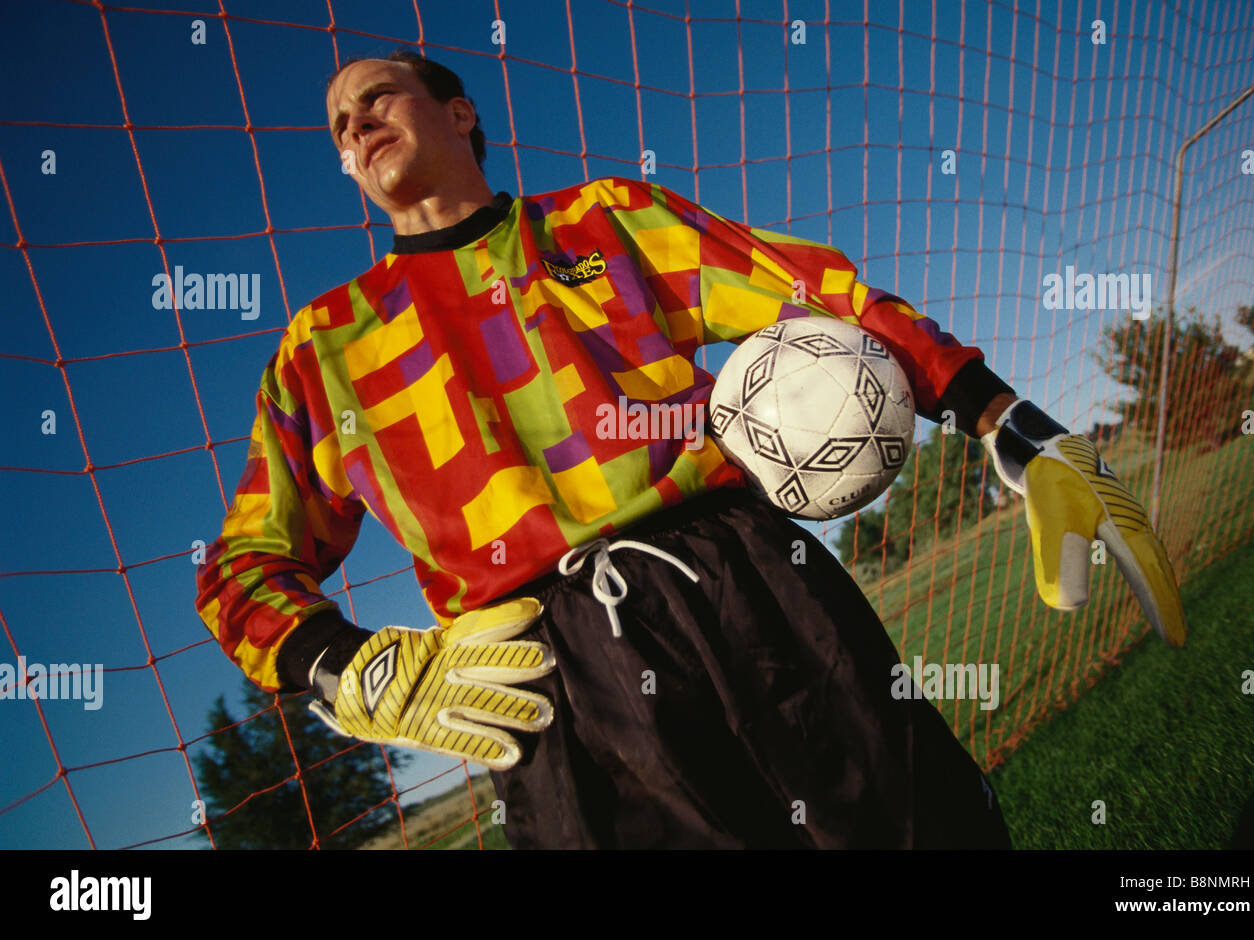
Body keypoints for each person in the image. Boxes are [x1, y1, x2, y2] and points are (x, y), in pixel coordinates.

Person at [196, 49, 1185, 849]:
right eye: (338, 124)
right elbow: (242, 565)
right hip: (540, 679)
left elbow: (819, 301)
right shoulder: (323, 348)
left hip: (747, 585)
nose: (356, 123)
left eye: (378, 95)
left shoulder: (607, 220)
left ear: (458, 115)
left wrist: (1006, 423)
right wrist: (347, 668)